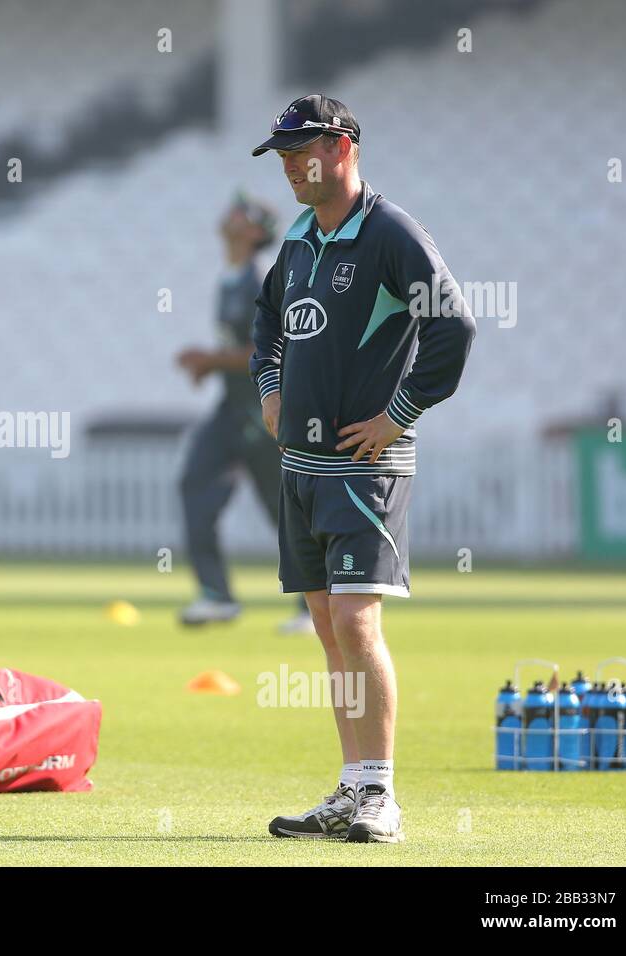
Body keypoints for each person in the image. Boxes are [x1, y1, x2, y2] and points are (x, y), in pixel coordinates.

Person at [248, 94, 475, 842]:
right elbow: (266, 323)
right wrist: (272, 391)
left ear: (342, 146)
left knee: (355, 619)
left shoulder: (391, 233)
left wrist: (399, 416)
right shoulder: (301, 240)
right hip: (302, 471)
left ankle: (383, 796)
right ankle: (352, 787)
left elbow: (454, 324)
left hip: (364, 471)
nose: (287, 166)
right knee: (325, 625)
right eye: (280, 155)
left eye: (299, 150)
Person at [176, 193, 313, 634]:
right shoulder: (231, 279)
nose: (230, 213)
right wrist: (212, 366)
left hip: (263, 409)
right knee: (195, 482)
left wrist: (212, 361)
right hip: (231, 409)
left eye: (242, 211)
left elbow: (271, 347)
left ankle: (316, 606)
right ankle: (216, 596)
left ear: (255, 232)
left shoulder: (259, 281)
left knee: (284, 509)